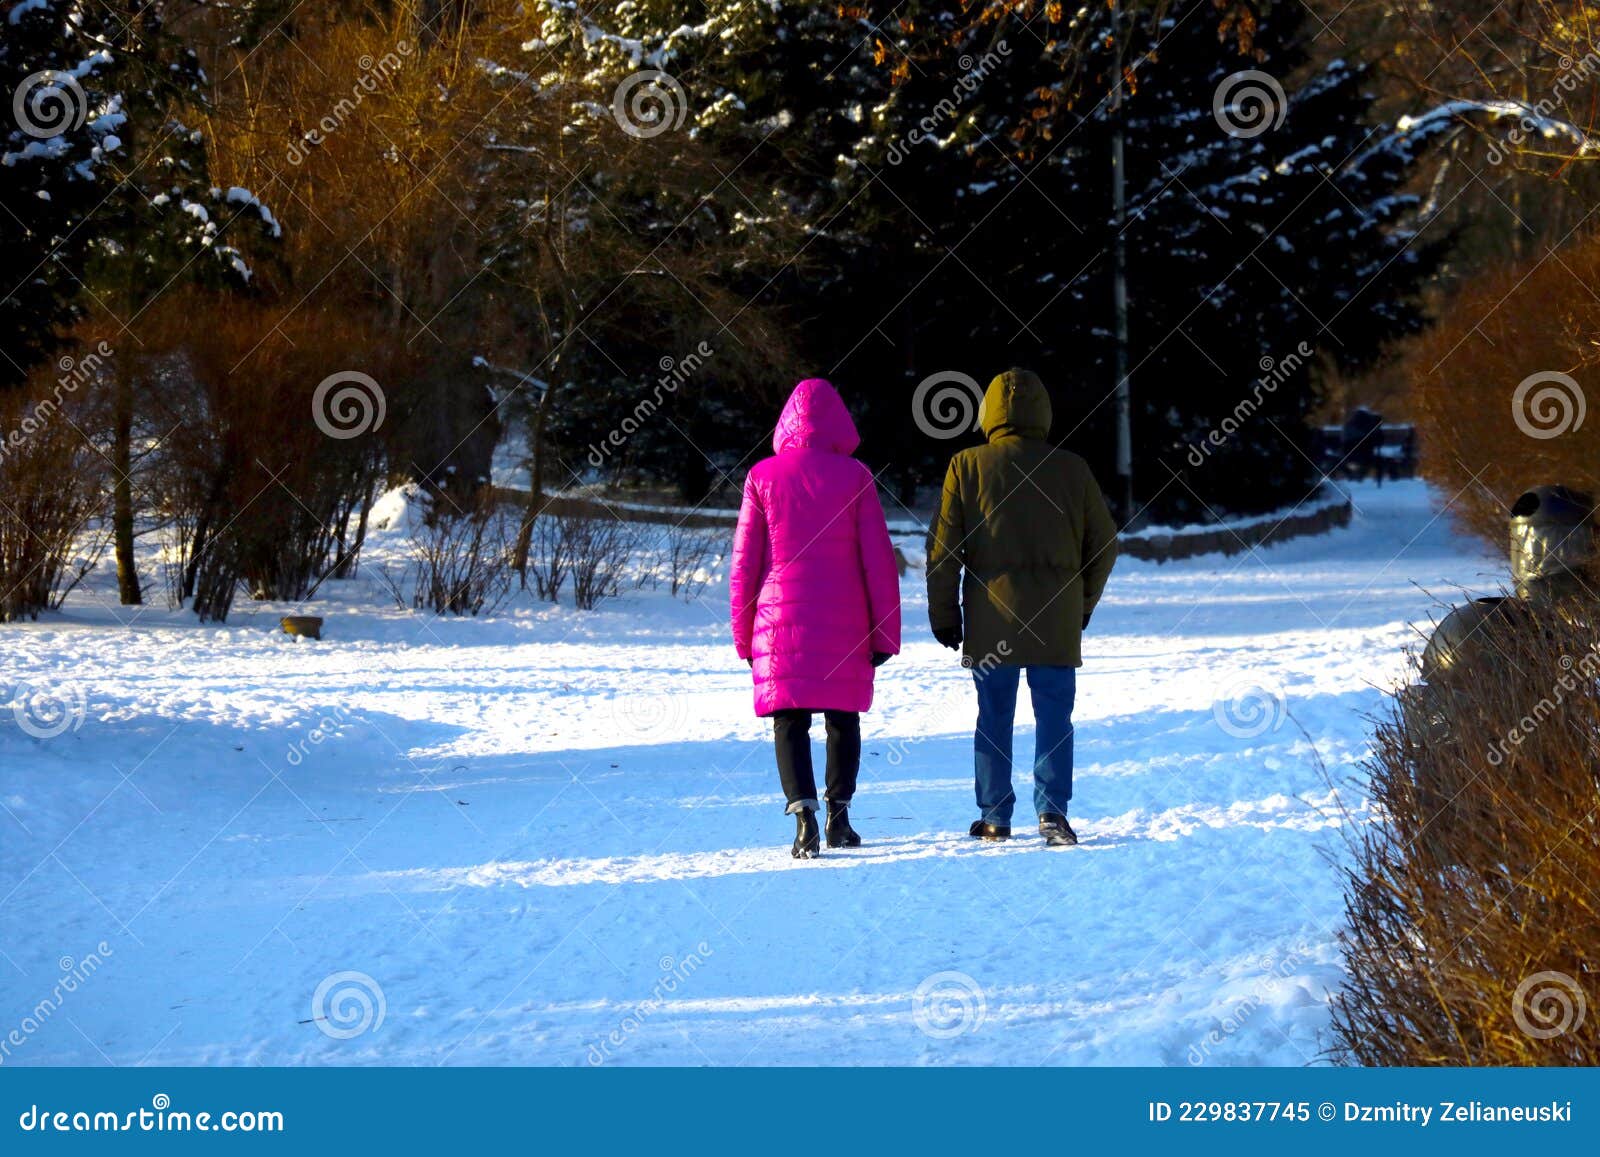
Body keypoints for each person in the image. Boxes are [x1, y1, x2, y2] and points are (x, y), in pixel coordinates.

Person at [925, 368, 1118, 847]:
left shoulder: (966, 465)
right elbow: (1105, 545)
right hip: (1056, 619)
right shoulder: (1072, 468)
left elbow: (943, 552)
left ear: (989, 411)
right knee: (1054, 715)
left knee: (993, 715)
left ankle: (995, 816)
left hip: (993, 622)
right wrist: (1082, 604)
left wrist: (945, 615)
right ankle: (1053, 813)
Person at [730, 378, 902, 858]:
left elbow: (745, 562)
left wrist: (745, 636)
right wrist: (885, 633)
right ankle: (839, 818)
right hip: (846, 619)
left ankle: (802, 818)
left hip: (778, 619)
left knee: (789, 720)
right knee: (842, 718)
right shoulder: (856, 477)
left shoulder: (762, 476)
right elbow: (878, 560)